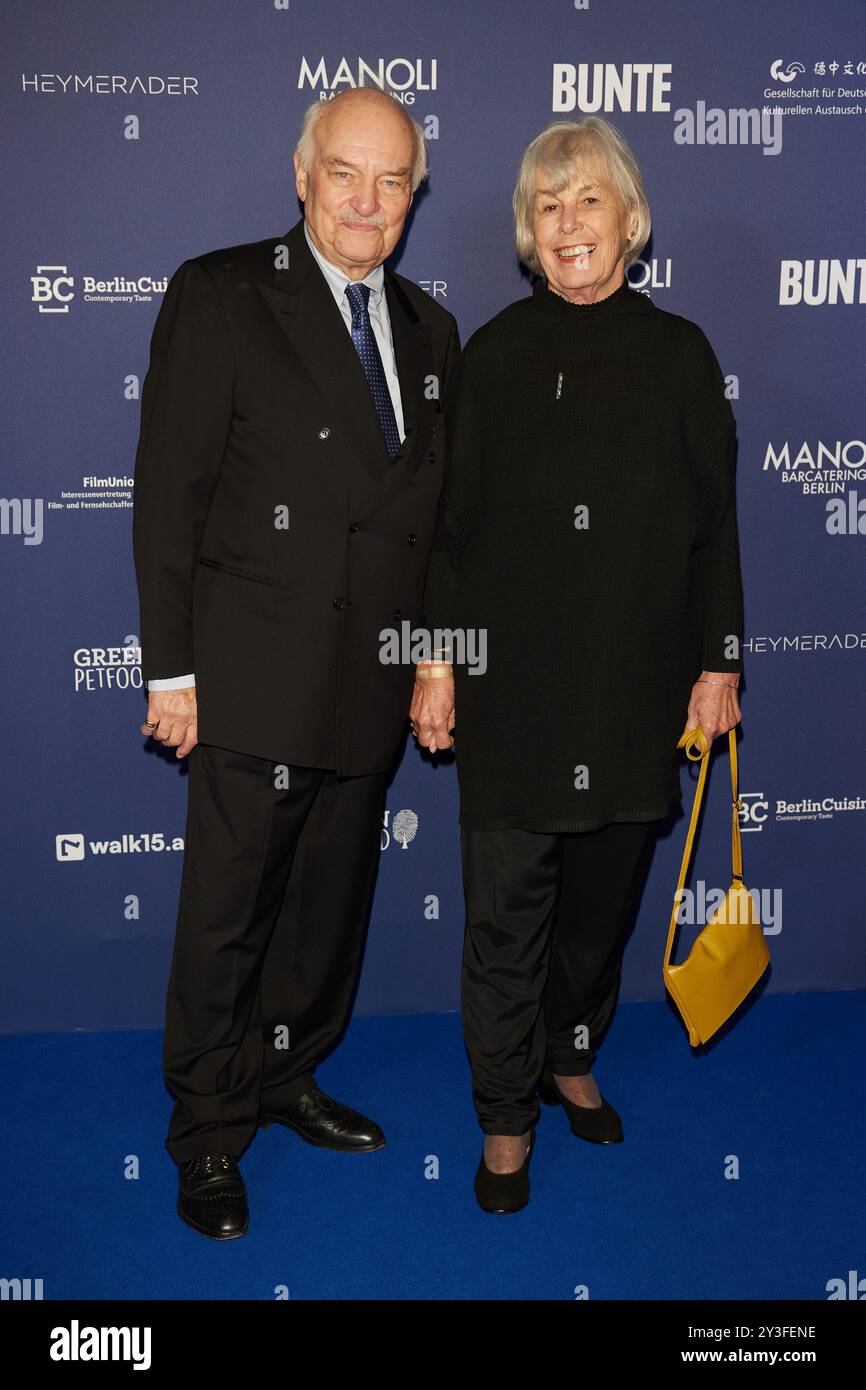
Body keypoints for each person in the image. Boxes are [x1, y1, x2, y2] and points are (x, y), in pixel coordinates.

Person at [132, 87, 460, 1238]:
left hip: (370, 678)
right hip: (253, 670)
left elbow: (434, 524)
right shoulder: (220, 294)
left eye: (392, 183)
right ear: (301, 173)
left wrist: (433, 661)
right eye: (345, 174)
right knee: (227, 915)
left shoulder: (429, 330)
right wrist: (169, 670)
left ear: (413, 197)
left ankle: (286, 1074)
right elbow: (168, 497)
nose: (367, 203)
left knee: (327, 912)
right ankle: (208, 1128)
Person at [412, 115, 744, 1213]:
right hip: (513, 699)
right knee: (505, 919)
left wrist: (717, 663)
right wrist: (435, 667)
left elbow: (714, 532)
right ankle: (504, 1119)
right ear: (527, 229)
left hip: (633, 695)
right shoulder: (493, 356)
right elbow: (447, 538)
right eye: (546, 207)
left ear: (627, 217)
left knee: (596, 912)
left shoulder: (681, 355)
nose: (567, 224)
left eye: (586, 200)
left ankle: (567, 1051)